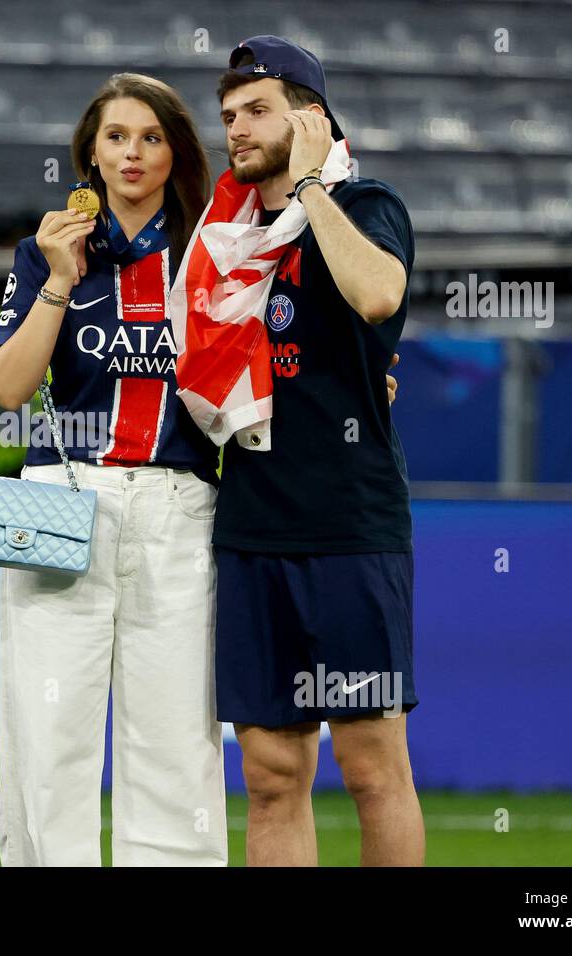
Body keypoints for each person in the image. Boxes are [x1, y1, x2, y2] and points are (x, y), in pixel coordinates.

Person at [178, 35, 424, 866]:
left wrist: (314, 186)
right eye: (228, 118)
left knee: (370, 767)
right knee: (274, 774)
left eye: (256, 112)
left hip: (350, 525)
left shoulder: (367, 205)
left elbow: (378, 293)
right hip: (251, 528)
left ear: (311, 119)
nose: (235, 130)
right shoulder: (220, 241)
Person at [0, 73, 227, 866]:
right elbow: (9, 388)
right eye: (117, 136)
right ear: (90, 150)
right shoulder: (44, 249)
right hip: (66, 499)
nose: (132, 152)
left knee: (175, 742)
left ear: (175, 153)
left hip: (179, 507)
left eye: (151, 137)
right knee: (48, 741)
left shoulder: (210, 254)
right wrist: (58, 280)